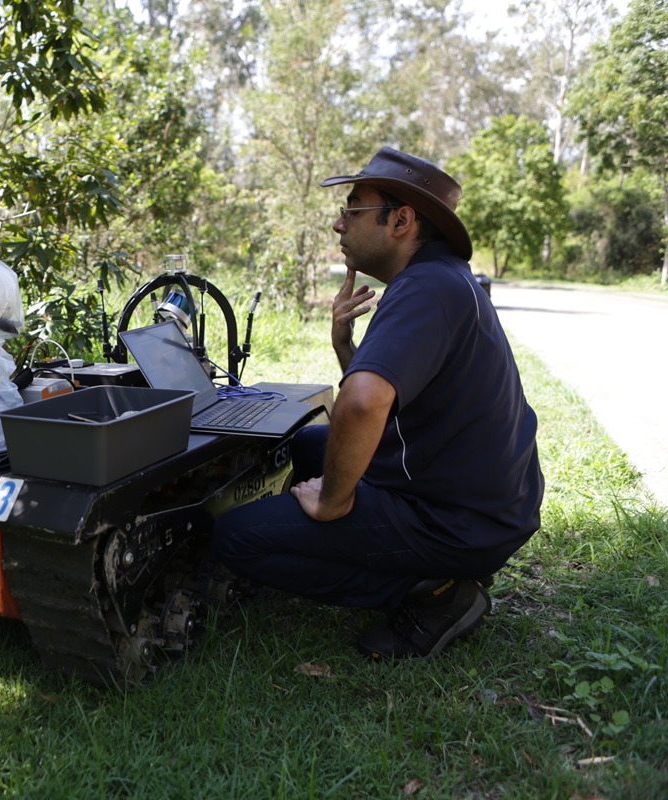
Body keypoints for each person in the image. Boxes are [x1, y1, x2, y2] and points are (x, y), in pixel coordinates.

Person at [212, 147, 544, 660]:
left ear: (402, 221)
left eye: (353, 209)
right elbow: (391, 402)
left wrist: (332, 502)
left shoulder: (425, 289)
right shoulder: (442, 278)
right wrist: (346, 347)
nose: (339, 225)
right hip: (482, 500)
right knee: (310, 443)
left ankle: (433, 594)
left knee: (233, 538)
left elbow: (365, 405)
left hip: (456, 519)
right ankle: (419, 565)